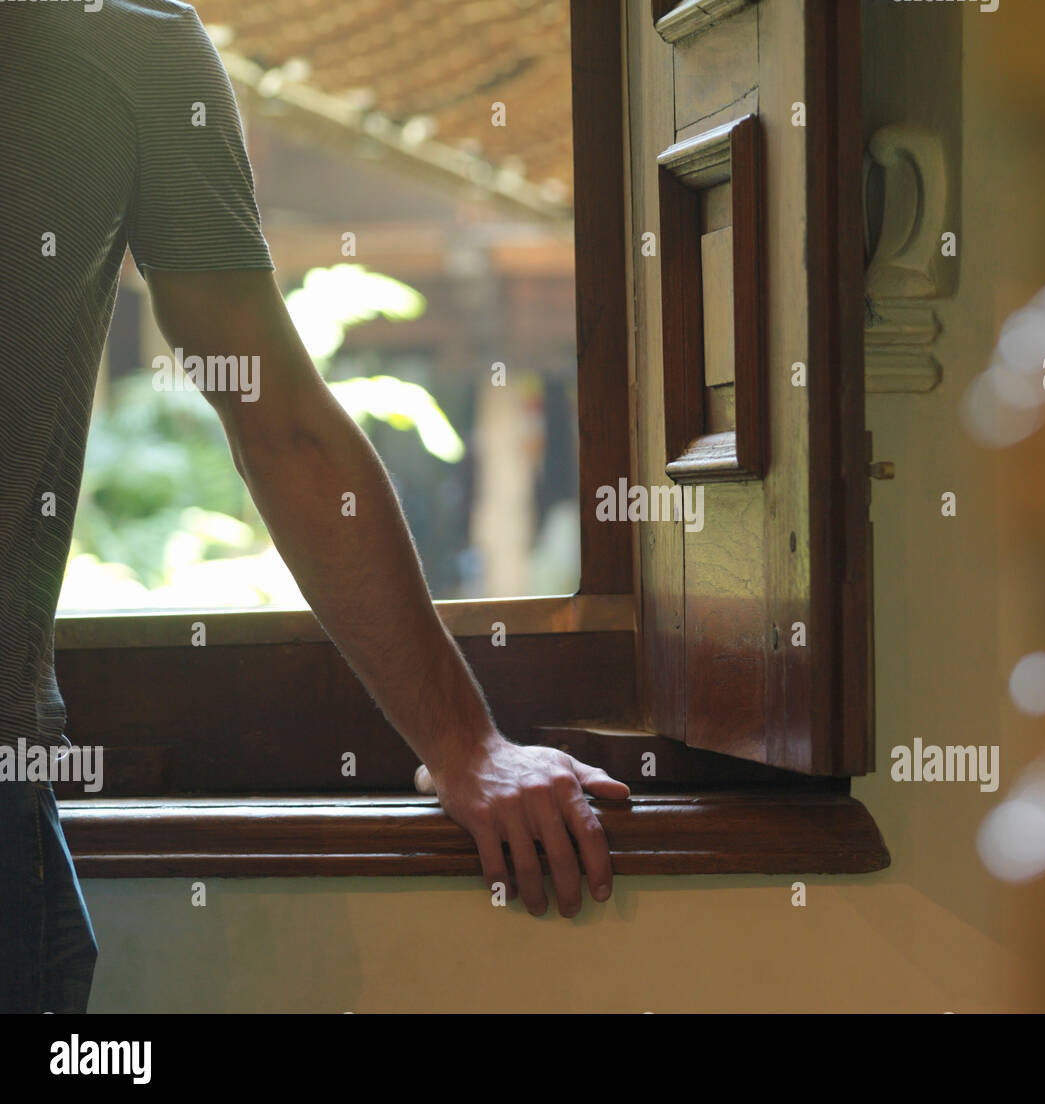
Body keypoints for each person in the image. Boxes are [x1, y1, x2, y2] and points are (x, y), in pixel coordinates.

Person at [0, 0, 628, 1014]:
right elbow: (279, 420)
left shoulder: (127, 40)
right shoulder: (127, 36)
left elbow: (283, 426)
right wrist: (466, 749)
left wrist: (466, 745)